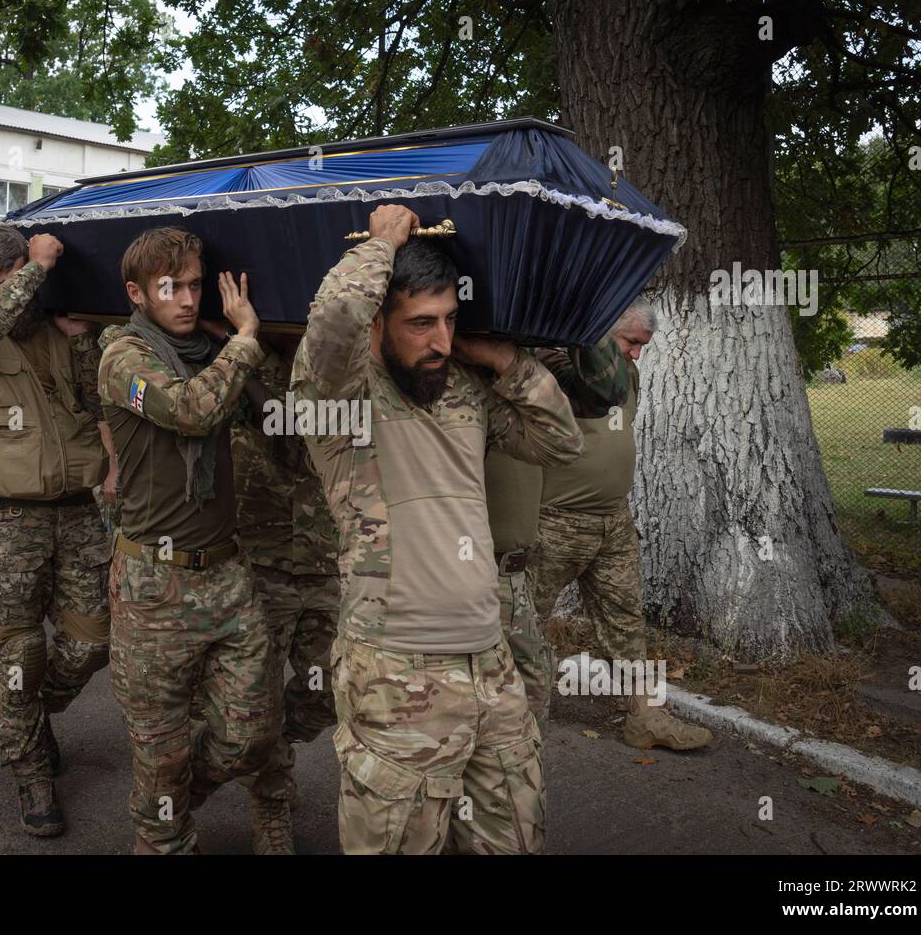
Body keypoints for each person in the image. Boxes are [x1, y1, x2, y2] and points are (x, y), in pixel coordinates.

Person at [292, 204, 584, 855]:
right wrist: (382, 243)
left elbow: (559, 441)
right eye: (421, 324)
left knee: (514, 837)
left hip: (490, 662)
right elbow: (332, 325)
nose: (441, 341)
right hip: (397, 672)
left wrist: (503, 359)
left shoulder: (461, 391)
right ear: (378, 324)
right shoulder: (336, 399)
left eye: (450, 321)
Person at [100, 226, 277, 855]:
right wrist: (247, 341)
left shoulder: (215, 353)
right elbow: (193, 411)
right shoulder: (123, 358)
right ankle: (164, 830)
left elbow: (275, 423)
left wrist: (237, 346)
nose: (186, 298)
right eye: (170, 287)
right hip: (154, 585)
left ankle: (166, 805)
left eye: (197, 285)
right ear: (137, 293)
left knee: (252, 730)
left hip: (226, 575)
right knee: (163, 750)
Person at [0, 225, 111, 837]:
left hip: (78, 512)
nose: (24, 291)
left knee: (92, 643)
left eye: (29, 277)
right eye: (5, 281)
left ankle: (30, 717)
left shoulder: (54, 332)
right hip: (9, 518)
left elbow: (96, 402)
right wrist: (35, 264)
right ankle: (31, 774)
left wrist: (84, 341)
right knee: (19, 651)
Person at [533, 302, 713, 750]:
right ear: (597, 330)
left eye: (641, 346)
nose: (635, 354)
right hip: (554, 521)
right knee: (523, 623)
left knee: (628, 625)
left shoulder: (627, 375)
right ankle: (514, 722)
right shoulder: (555, 365)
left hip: (613, 519)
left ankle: (646, 717)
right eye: (629, 342)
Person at [229, 335, 339, 853]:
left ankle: (264, 748)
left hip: (328, 560)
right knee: (261, 695)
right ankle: (270, 804)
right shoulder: (233, 357)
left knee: (332, 687)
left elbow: (297, 426)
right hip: (262, 557)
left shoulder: (338, 358)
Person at [486, 338, 628, 736]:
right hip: (451, 578)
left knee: (527, 712)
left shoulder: (534, 361)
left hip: (511, 575)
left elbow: (603, 395)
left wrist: (506, 353)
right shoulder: (424, 369)